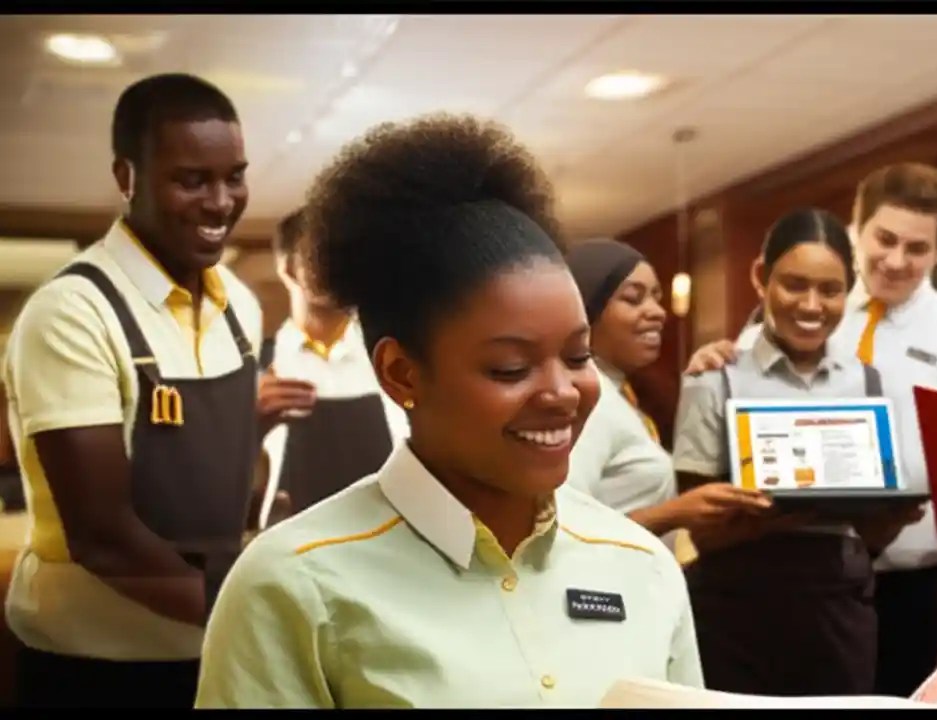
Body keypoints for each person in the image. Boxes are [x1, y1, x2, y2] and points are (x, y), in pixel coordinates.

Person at [195, 114, 703, 708]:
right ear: (401, 374)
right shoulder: (294, 584)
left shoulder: (641, 565)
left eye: (578, 355)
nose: (562, 392)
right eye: (510, 369)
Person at [684, 163, 937, 697]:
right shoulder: (812, 311)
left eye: (917, 248)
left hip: (912, 587)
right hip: (798, 580)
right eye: (884, 239)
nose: (896, 260)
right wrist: (712, 358)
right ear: (857, 227)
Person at [0, 73, 263, 707]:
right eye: (191, 180)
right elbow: (103, 538)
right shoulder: (72, 312)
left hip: (212, 654)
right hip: (95, 672)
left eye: (234, 177)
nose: (221, 202)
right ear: (127, 177)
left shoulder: (242, 308)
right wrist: (252, 609)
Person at [671, 207, 925, 696]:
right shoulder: (715, 377)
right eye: (793, 284)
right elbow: (698, 530)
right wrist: (772, 516)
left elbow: (869, 538)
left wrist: (890, 517)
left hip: (838, 609)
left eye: (829, 290)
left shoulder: (868, 383)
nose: (811, 305)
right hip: (735, 610)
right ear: (761, 280)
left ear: (849, 290)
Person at [564, 239, 770, 565]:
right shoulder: (588, 399)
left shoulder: (625, 395)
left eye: (657, 297)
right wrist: (674, 513)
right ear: (587, 310)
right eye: (633, 298)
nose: (658, 312)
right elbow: (564, 526)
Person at [254, 208, 408, 528]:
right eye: (324, 254)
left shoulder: (395, 359)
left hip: (387, 540)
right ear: (288, 269)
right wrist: (248, 426)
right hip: (290, 545)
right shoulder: (257, 369)